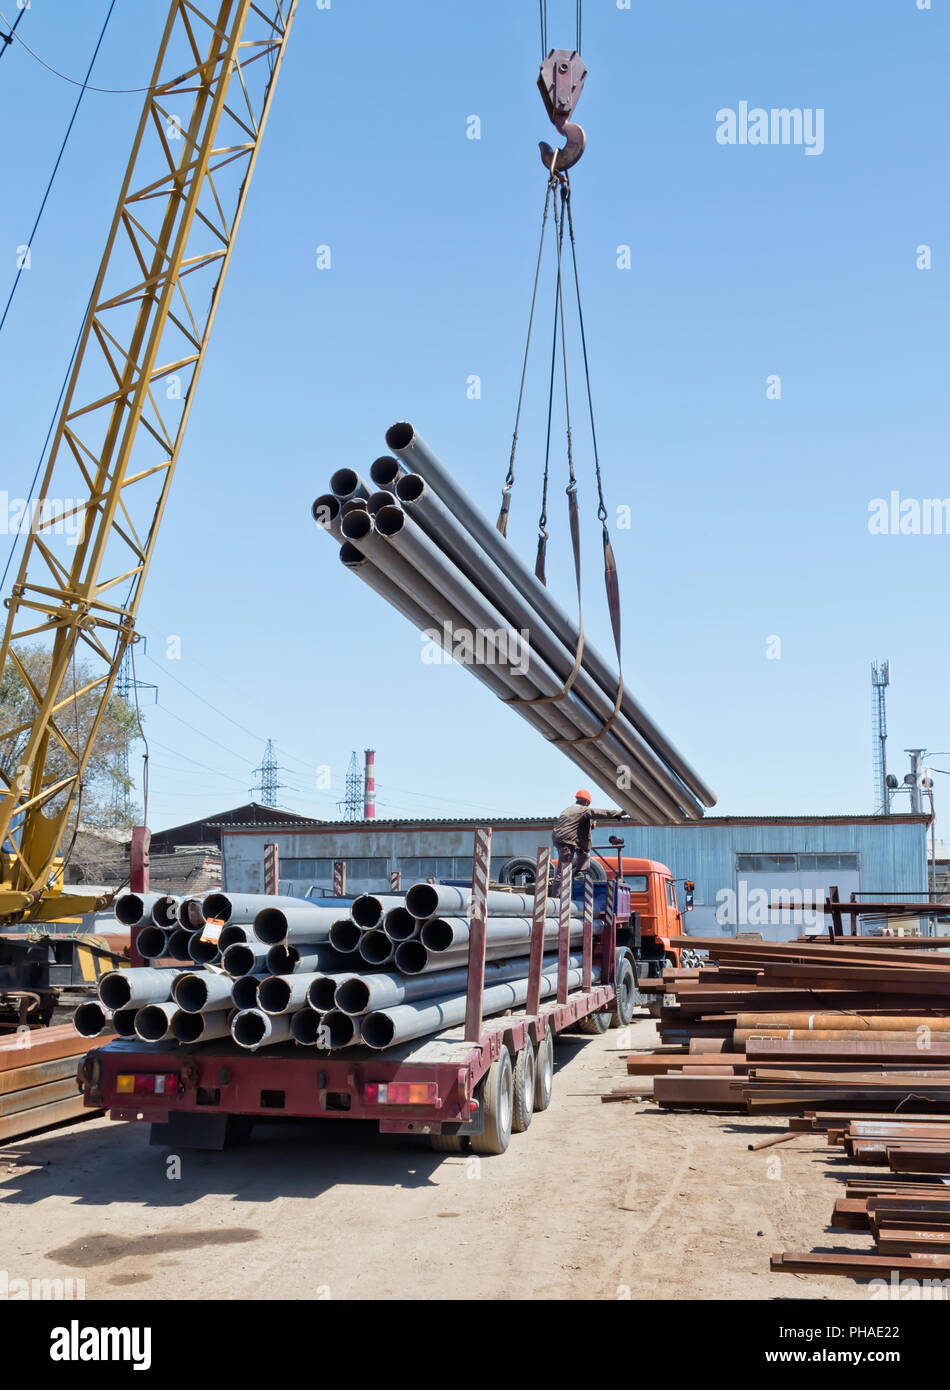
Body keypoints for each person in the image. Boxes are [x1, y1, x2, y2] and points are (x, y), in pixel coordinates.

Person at [552, 789, 625, 886]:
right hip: (567, 841)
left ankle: (580, 872)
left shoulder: (568, 810)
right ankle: (557, 897)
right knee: (562, 873)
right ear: (586, 802)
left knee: (583, 852)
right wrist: (618, 814)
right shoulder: (582, 810)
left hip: (562, 839)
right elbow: (599, 812)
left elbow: (581, 826)